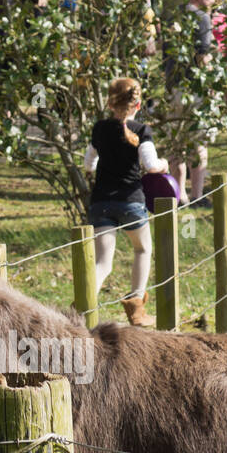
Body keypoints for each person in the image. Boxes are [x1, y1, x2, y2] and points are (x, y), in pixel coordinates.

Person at [82, 78, 167, 327]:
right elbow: (151, 166)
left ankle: (83, 306)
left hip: (101, 203)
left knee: (102, 263)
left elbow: (89, 164)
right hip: (131, 202)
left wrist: (102, 165)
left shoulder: (99, 129)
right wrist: (164, 165)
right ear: (138, 104)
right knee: (142, 249)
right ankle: (136, 307)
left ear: (110, 103)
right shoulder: (142, 131)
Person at [162, 0, 219, 207]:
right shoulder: (202, 19)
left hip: (172, 86)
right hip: (194, 88)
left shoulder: (172, 16)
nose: (212, 2)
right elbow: (202, 55)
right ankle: (197, 195)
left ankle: (179, 196)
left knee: (176, 143)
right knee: (197, 142)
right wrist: (213, 84)